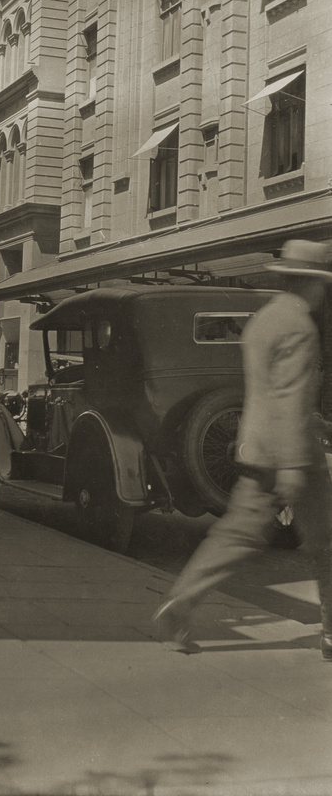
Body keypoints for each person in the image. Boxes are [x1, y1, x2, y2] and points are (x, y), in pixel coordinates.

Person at [153, 239, 332, 662]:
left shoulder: (265, 320)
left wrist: (315, 422)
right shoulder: (301, 326)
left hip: (255, 448)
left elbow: (269, 391)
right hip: (295, 458)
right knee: (328, 542)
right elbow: (289, 395)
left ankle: (180, 601)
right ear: (311, 284)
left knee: (235, 536)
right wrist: (292, 464)